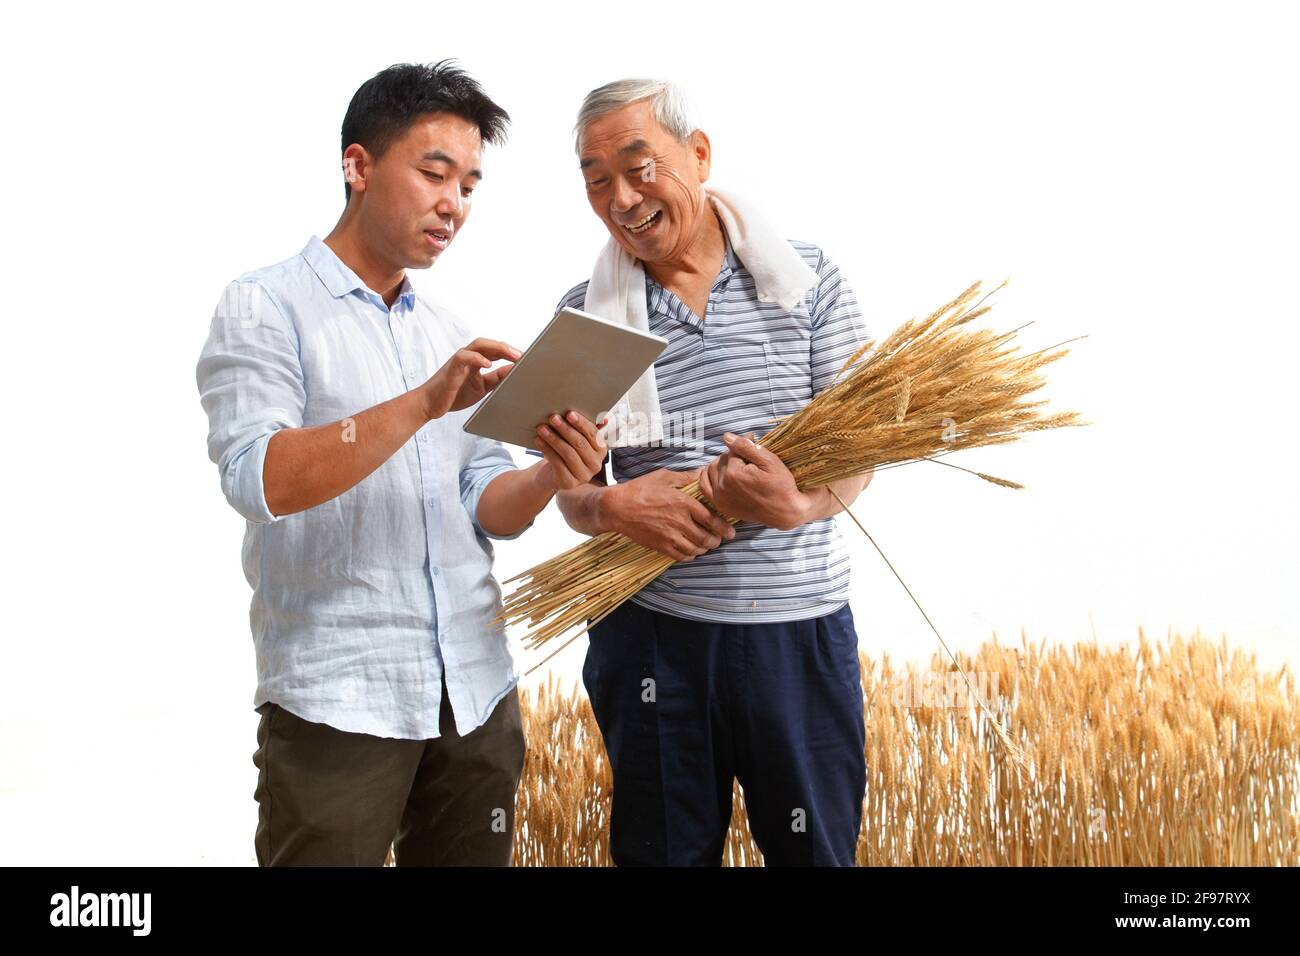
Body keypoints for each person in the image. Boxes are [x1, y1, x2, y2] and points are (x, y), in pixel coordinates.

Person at [195, 60, 606, 866]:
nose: (454, 204)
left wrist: (553, 473)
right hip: (338, 700)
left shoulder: (449, 326)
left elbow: (485, 499)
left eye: (471, 185)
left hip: (476, 696)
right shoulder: (265, 305)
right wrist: (420, 404)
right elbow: (259, 477)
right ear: (357, 166)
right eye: (434, 173)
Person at [553, 78, 874, 866]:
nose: (622, 199)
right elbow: (570, 493)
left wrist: (797, 505)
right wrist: (615, 507)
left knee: (815, 854)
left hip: (795, 632)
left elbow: (865, 449)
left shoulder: (808, 279)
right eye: (598, 182)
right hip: (652, 639)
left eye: (639, 167)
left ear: (697, 155)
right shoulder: (586, 319)